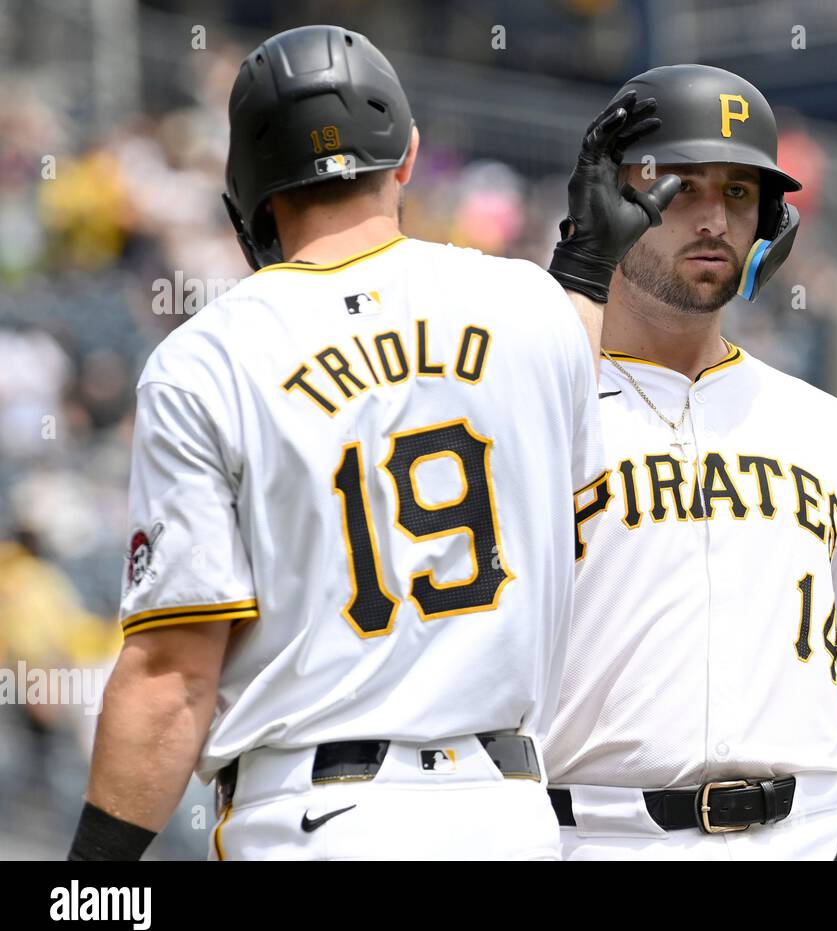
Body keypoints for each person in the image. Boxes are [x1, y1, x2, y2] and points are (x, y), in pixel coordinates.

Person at [68, 24, 676, 861]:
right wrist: (585, 263)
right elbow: (560, 470)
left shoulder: (204, 360)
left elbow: (175, 673)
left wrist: (88, 879)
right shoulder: (529, 305)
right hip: (506, 815)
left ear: (246, 187)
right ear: (409, 155)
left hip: (314, 819)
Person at [542, 64, 837, 860]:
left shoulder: (824, 426)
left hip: (805, 833)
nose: (713, 219)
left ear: (773, 221)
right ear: (612, 195)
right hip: (597, 834)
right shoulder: (537, 407)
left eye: (740, 194)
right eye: (681, 186)